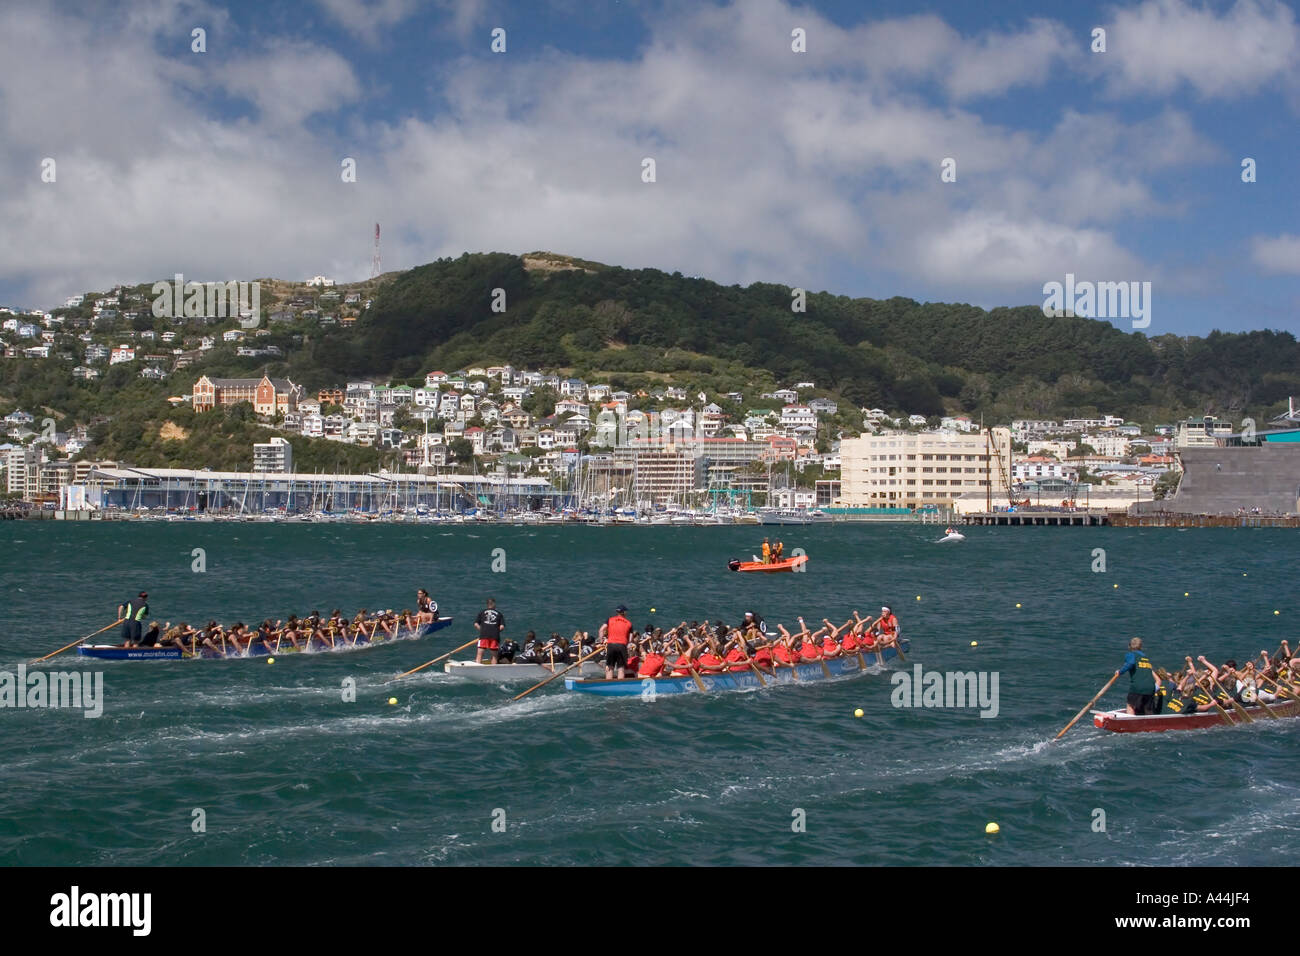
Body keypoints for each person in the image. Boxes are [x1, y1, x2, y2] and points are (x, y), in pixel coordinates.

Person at [1115, 637, 1159, 715]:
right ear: (1141, 646)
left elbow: (1131, 663)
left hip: (1138, 687)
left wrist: (1120, 672)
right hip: (1151, 687)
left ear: (1129, 646)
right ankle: (1148, 725)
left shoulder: (1131, 654)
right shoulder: (1145, 657)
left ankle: (1130, 724)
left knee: (1131, 706)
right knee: (1147, 708)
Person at [600, 604, 634, 679]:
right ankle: (620, 685)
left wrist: (602, 641)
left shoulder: (610, 620)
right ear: (624, 612)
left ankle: (608, 685)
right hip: (622, 645)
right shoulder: (629, 623)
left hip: (611, 645)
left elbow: (601, 630)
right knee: (621, 668)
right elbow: (630, 639)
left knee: (609, 667)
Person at [474, 597, 505, 664]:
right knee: (494, 656)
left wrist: (482, 630)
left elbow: (476, 624)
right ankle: (493, 671)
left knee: (479, 654)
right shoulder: (499, 614)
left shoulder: (482, 612)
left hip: (484, 635)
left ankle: (477, 667)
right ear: (493, 604)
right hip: (494, 636)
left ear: (487, 604)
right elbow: (502, 627)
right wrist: (495, 631)